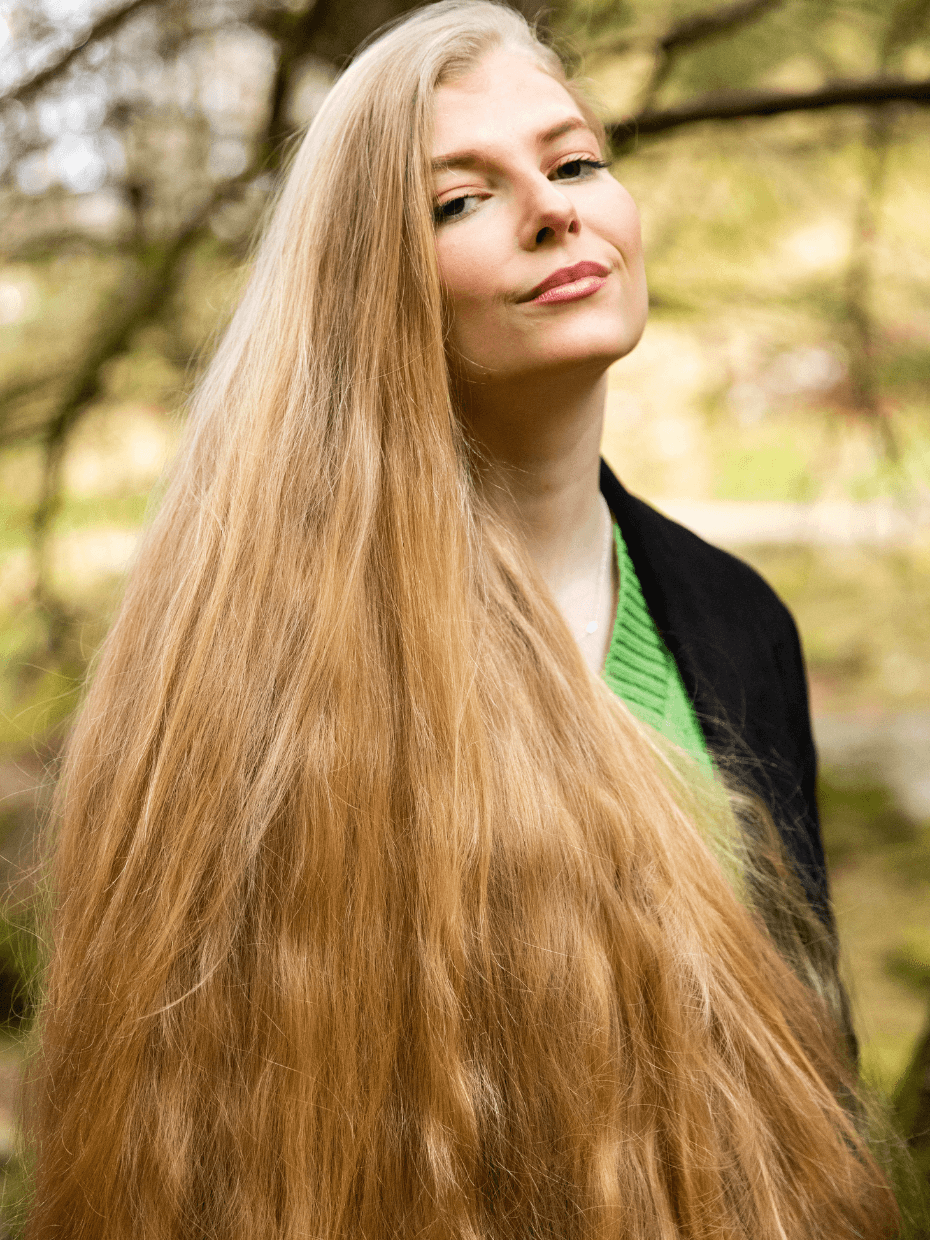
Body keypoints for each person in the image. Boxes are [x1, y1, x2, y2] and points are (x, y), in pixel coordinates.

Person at [26, 3, 898, 1237]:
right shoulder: (262, 659)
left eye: (575, 160)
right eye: (460, 199)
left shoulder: (737, 620)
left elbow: (816, 1058)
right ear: (371, 289)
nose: (555, 207)